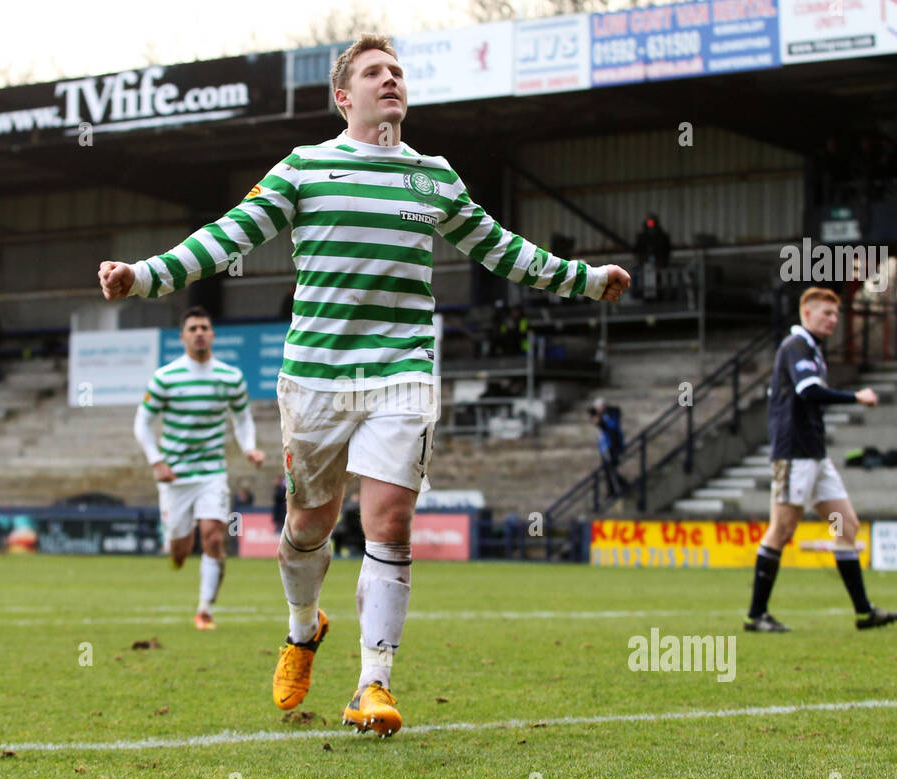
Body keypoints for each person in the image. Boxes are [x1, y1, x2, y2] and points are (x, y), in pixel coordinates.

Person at [99, 33, 630, 736]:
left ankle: (373, 684)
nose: (392, 80)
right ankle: (301, 628)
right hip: (316, 379)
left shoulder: (434, 176)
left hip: (401, 373)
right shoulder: (304, 168)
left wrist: (586, 281)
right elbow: (226, 237)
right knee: (306, 526)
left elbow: (503, 249)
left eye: (398, 71)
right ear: (344, 97)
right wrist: (144, 276)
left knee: (390, 522)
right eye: (375, 72)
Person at [744, 286, 897, 634]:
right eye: (826, 314)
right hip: (794, 454)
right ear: (807, 314)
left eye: (835, 315)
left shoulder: (810, 349)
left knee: (845, 525)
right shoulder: (795, 346)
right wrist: (856, 397)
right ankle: (756, 615)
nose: (833, 320)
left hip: (814, 455)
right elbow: (808, 391)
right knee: (782, 530)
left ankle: (863, 612)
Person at [132, 307, 264, 631]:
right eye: (192, 328)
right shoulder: (166, 377)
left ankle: (204, 610)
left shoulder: (230, 377)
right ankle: (175, 548)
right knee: (179, 550)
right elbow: (142, 423)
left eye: (204, 327)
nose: (199, 332)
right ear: (183, 336)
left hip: (211, 473)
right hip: (175, 475)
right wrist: (156, 461)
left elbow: (242, 417)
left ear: (213, 334)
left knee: (214, 537)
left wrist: (249, 447)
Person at [588, 398, 624, 498]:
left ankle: (617, 490)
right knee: (607, 470)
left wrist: (600, 422)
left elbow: (611, 427)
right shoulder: (604, 415)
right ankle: (612, 490)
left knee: (611, 469)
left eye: (598, 408)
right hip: (604, 447)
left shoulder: (609, 414)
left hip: (610, 446)